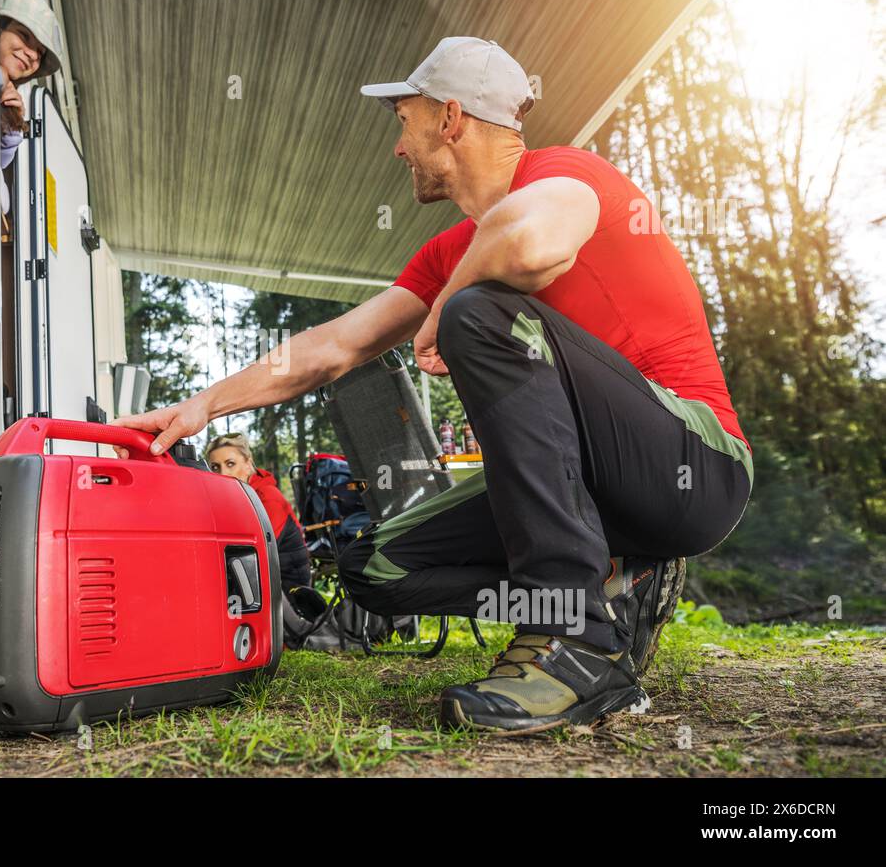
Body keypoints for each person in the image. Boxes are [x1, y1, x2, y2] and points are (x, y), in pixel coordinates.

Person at [114, 37, 752, 733]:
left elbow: (532, 243)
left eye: (404, 122)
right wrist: (201, 406)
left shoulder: (566, 174)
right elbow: (334, 347)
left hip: (693, 463)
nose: (399, 148)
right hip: (599, 493)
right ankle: (601, 592)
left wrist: (450, 306)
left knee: (481, 317)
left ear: (450, 119)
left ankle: (575, 645)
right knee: (375, 568)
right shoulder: (451, 253)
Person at [204, 433, 312, 591]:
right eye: (215, 467)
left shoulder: (267, 497)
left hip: (289, 582)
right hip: (257, 574)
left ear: (248, 465)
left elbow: (260, 552)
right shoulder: (234, 498)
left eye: (230, 464)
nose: (222, 473)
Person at [0, 0, 64, 217]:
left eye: (39, 52)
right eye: (24, 36)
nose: (33, 55)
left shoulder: (7, 99)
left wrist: (11, 132)